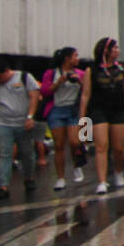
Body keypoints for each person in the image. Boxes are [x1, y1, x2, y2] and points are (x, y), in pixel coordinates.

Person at [0, 58, 42, 201]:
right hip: (2, 124)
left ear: (7, 71)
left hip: (23, 123)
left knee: (27, 153)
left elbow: (34, 96)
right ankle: (3, 186)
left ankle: (29, 177)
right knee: (4, 154)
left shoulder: (24, 78)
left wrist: (30, 116)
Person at [79, 37, 124, 194]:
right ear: (106, 50)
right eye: (114, 48)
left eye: (118, 48)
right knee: (101, 146)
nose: (117, 51)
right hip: (98, 109)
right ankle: (102, 181)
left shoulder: (120, 69)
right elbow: (85, 94)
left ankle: (118, 171)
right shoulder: (91, 70)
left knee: (119, 148)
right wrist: (82, 118)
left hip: (118, 110)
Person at [41, 47, 87, 190]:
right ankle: (60, 177)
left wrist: (79, 81)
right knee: (59, 145)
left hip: (73, 110)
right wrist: (59, 82)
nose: (77, 59)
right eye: (75, 56)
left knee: (74, 141)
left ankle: (77, 165)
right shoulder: (51, 73)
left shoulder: (80, 73)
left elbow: (88, 91)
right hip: (56, 110)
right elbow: (44, 91)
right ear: (67, 58)